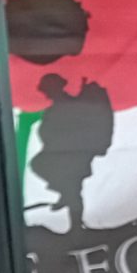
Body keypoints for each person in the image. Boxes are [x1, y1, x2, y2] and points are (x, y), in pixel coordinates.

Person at [30, 71, 115, 234]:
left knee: (73, 190)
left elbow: (78, 129)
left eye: (47, 89)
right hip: (59, 154)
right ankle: (65, 195)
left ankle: (76, 224)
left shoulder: (73, 106)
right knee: (47, 171)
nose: (46, 94)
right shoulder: (58, 107)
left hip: (75, 155)